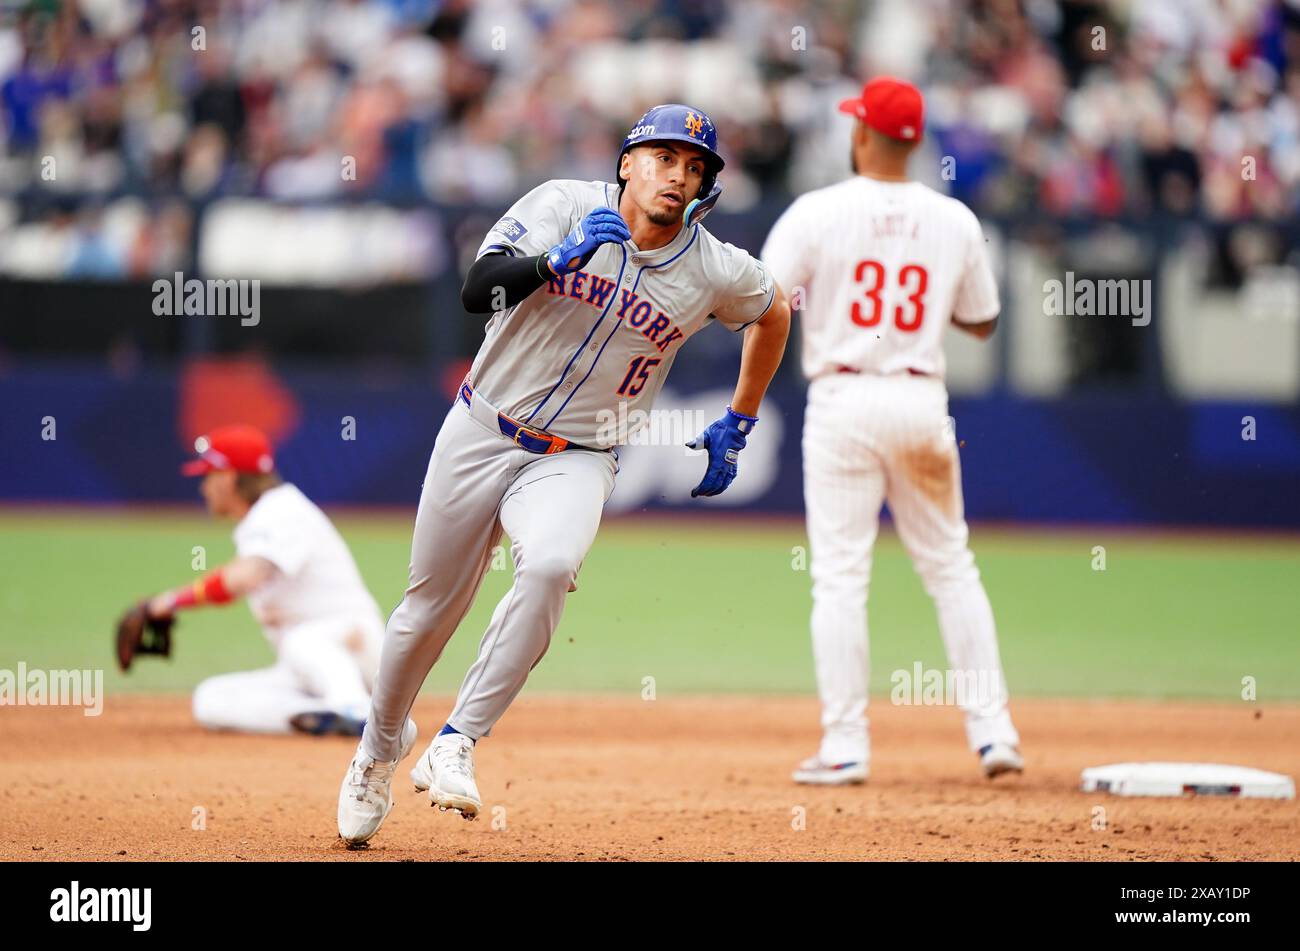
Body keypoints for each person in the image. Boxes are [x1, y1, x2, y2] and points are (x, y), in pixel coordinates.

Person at [337, 104, 792, 847]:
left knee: (549, 566)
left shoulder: (714, 267)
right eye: (663, 158)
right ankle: (378, 749)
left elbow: (774, 312)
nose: (678, 176)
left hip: (580, 452)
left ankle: (457, 738)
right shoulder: (563, 205)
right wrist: (555, 260)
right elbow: (474, 289)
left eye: (694, 166)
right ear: (627, 164)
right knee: (426, 611)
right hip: (482, 426)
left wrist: (739, 418)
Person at [760, 77, 1024, 785]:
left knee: (841, 577)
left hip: (843, 395)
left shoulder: (817, 211)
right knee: (951, 566)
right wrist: (929, 295)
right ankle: (994, 731)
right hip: (918, 396)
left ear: (863, 134)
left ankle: (846, 745)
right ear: (913, 141)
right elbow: (985, 317)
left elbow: (765, 300)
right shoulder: (955, 219)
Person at [133, 424, 407, 741]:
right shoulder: (263, 517)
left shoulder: (283, 509)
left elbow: (246, 575)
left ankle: (357, 712)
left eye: (207, 477)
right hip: (310, 666)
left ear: (228, 478)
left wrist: (169, 602)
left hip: (353, 649)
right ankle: (322, 718)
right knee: (211, 698)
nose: (204, 487)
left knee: (301, 642)